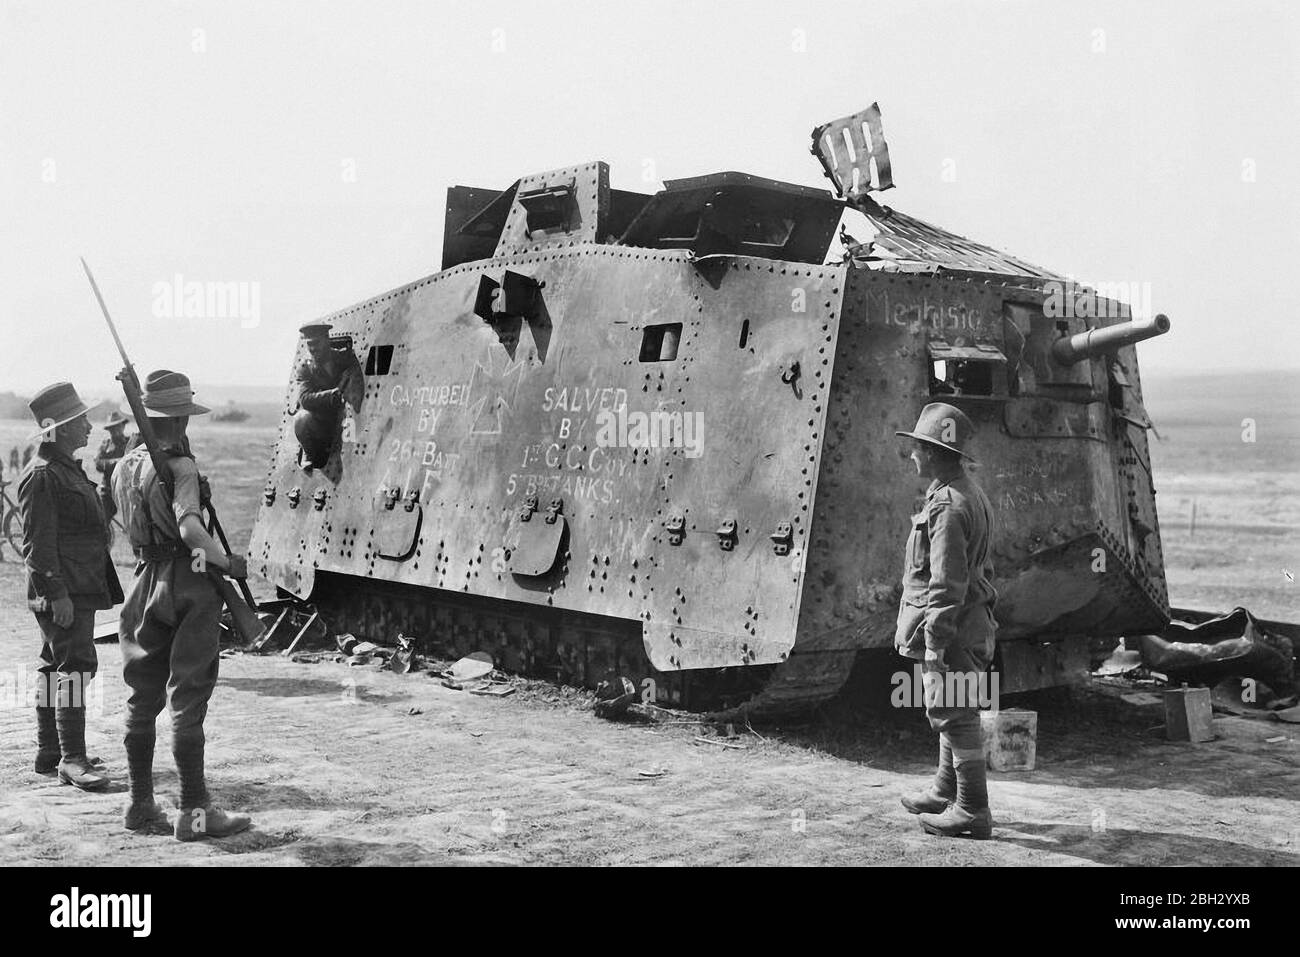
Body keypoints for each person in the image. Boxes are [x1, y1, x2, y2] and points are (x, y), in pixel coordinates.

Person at [112, 370, 251, 840]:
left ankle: (138, 804)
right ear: (180, 420)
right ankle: (194, 814)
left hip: (142, 583)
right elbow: (191, 530)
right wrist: (228, 564)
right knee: (187, 698)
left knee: (141, 695)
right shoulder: (180, 467)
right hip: (188, 582)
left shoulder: (125, 466)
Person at [893, 402, 997, 839]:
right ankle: (943, 790)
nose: (913, 454)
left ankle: (972, 809)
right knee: (950, 707)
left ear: (935, 453)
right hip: (972, 620)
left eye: (918, 447)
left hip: (953, 626)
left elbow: (945, 582)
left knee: (957, 711)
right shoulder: (966, 492)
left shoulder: (948, 506)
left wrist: (934, 641)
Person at [18, 382, 123, 790]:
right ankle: (72, 759)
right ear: (59, 429)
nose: (89, 427)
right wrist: (57, 594)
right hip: (65, 591)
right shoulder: (44, 475)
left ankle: (51, 752)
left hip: (78, 585)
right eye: (81, 420)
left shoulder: (64, 469)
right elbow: (37, 545)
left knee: (53, 666)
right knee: (76, 667)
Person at [292, 322, 363, 470]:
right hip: (322, 421)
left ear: (326, 340)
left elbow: (354, 373)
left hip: (345, 417)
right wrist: (331, 394)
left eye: (316, 343)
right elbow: (305, 399)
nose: (312, 348)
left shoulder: (343, 358)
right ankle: (310, 453)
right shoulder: (305, 368)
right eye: (309, 344)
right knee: (301, 419)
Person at [93, 410, 132, 520]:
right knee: (102, 520)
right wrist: (118, 462)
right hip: (108, 490)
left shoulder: (131, 443)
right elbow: (98, 463)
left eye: (117, 427)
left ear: (123, 426)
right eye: (112, 428)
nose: (115, 431)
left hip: (128, 490)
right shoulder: (105, 445)